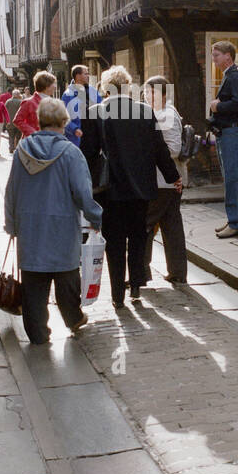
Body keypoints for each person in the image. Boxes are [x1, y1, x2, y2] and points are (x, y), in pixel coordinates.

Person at [4, 97, 104, 345]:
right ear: (63, 122)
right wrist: (95, 216)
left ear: (39, 121)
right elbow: (82, 192)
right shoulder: (71, 153)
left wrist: (11, 224)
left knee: (34, 283)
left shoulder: (22, 151)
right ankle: (73, 318)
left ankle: (37, 333)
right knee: (66, 277)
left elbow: (11, 191)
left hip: (29, 228)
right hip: (61, 226)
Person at [81, 65, 179, 307]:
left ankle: (117, 295)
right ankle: (135, 285)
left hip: (109, 190)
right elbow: (159, 149)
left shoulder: (95, 112)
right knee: (138, 236)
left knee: (113, 242)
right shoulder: (145, 111)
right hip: (140, 188)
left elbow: (88, 154)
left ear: (105, 87)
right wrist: (172, 176)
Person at [141, 75, 188, 285]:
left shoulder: (166, 114)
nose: (145, 94)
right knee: (171, 225)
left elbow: (174, 149)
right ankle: (177, 272)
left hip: (163, 181)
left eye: (149, 91)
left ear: (160, 93)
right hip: (168, 181)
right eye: (145, 91)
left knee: (145, 224)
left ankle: (141, 271)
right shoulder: (160, 113)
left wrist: (146, 152)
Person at [208, 40, 238, 239]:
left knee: (234, 179)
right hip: (229, 134)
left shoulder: (234, 76)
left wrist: (218, 107)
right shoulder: (231, 75)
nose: (214, 59)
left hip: (233, 134)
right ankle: (234, 220)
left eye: (216, 55)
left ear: (228, 56)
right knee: (230, 179)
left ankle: (236, 223)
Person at [63, 64, 100, 145]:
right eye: (86, 74)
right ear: (78, 76)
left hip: (94, 136)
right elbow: (63, 117)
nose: (88, 76)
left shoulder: (93, 91)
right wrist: (74, 129)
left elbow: (101, 109)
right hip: (77, 136)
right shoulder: (67, 94)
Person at [13, 70, 56, 140]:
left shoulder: (54, 103)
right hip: (33, 142)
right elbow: (17, 120)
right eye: (53, 84)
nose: (55, 86)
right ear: (46, 86)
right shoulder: (29, 102)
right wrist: (33, 133)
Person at [5, 86, 25, 151]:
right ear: (18, 95)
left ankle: (11, 147)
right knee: (18, 136)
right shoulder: (21, 102)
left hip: (9, 122)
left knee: (11, 136)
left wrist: (5, 121)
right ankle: (16, 147)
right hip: (18, 122)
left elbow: (5, 111)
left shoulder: (8, 101)